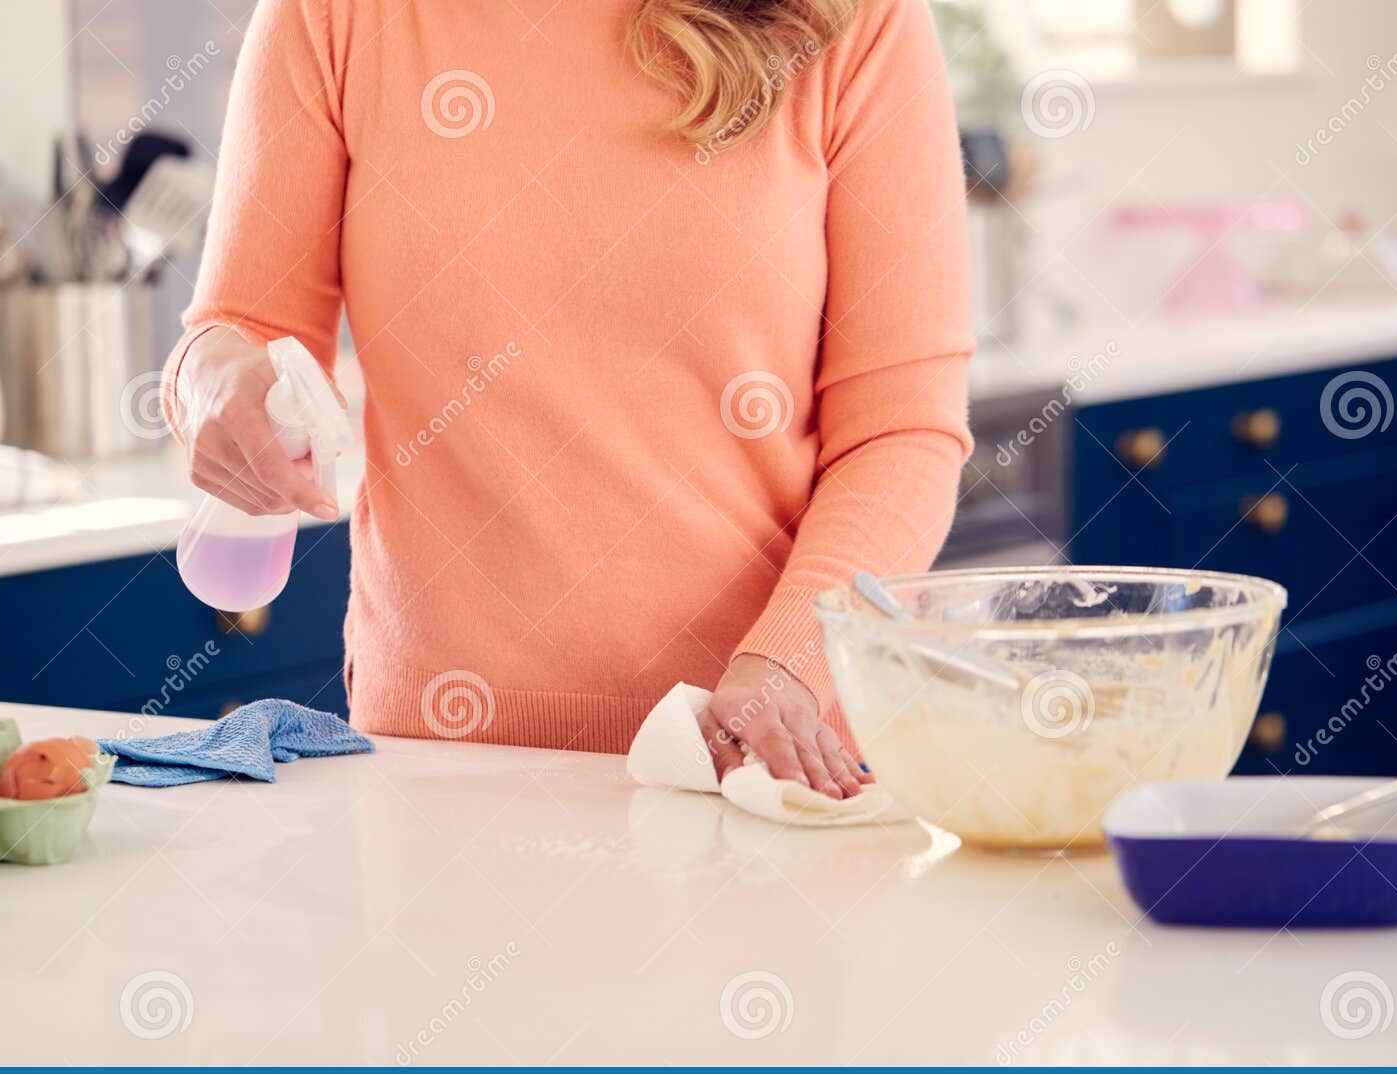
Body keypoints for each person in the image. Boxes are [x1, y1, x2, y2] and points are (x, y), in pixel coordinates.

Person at [165, 0, 973, 798]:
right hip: (441, 777)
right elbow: (243, 328)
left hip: (755, 772)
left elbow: (900, 431)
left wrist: (787, 661)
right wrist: (216, 385)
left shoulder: (856, 21)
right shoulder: (336, 17)